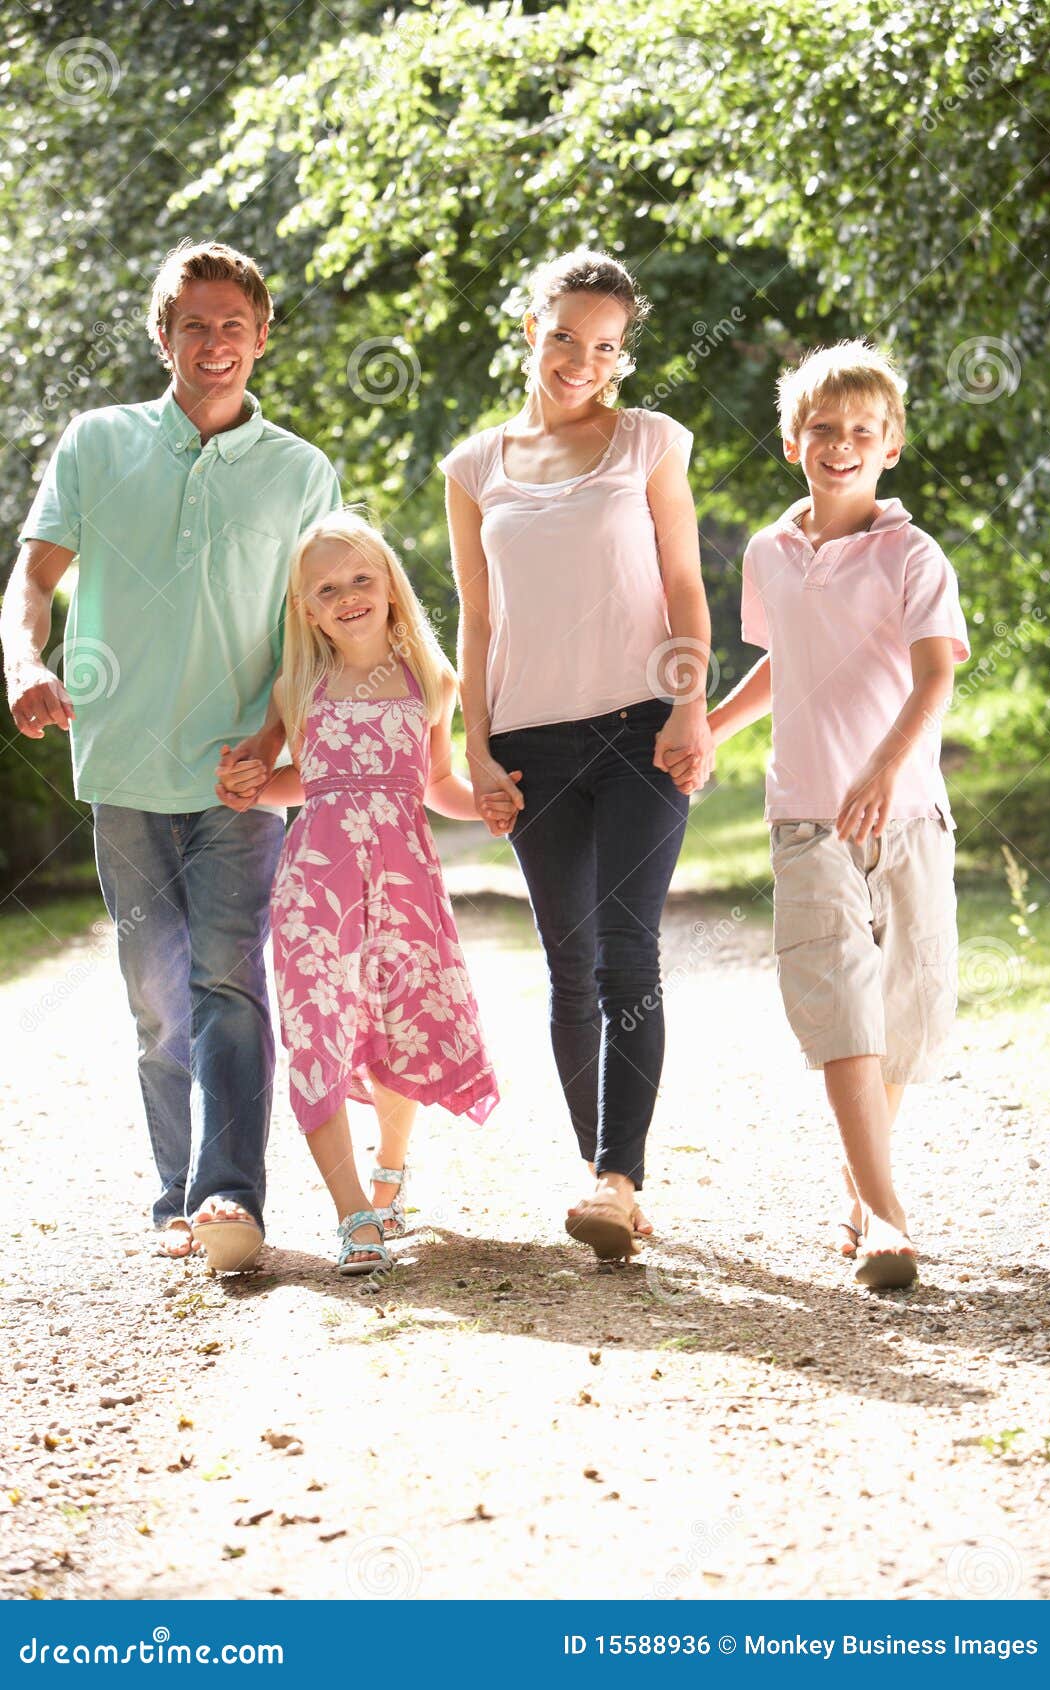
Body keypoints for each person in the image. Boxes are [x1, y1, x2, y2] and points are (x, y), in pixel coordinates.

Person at [1, 239, 342, 1272]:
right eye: (194, 324)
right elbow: (32, 582)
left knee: (230, 979)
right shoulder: (96, 447)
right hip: (121, 771)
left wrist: (277, 738)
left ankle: (229, 1192)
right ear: (164, 335)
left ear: (261, 337)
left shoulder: (299, 472)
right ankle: (173, 1195)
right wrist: (23, 662)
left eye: (233, 325)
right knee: (158, 999)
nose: (214, 344)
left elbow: (316, 628)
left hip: (239, 779)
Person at [666, 340, 969, 1290]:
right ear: (793, 440)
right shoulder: (767, 551)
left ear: (891, 447)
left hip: (908, 816)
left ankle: (859, 1188)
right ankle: (885, 1218)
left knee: (904, 1021)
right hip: (806, 820)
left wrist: (885, 768)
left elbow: (935, 677)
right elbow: (782, 662)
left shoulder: (913, 555)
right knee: (840, 1006)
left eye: (862, 432)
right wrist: (711, 724)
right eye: (823, 429)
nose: (841, 444)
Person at [440, 248, 714, 1262]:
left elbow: (685, 588)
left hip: (643, 725)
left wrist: (689, 709)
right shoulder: (472, 467)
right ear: (531, 328)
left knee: (625, 953)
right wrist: (474, 746)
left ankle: (615, 1176)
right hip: (530, 740)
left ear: (621, 356)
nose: (579, 361)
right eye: (564, 337)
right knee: (566, 968)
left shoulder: (648, 442)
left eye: (603, 347)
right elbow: (473, 620)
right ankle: (601, 1175)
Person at [218, 512, 504, 1275]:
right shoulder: (297, 684)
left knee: (399, 1024)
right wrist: (249, 785)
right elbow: (295, 780)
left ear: (388, 586)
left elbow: (436, 782)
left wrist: (491, 801)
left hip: (404, 880)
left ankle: (389, 1170)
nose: (347, 596)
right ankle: (353, 1216)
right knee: (317, 1033)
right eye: (327, 588)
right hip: (317, 885)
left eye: (360, 579)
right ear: (307, 608)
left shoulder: (430, 679)